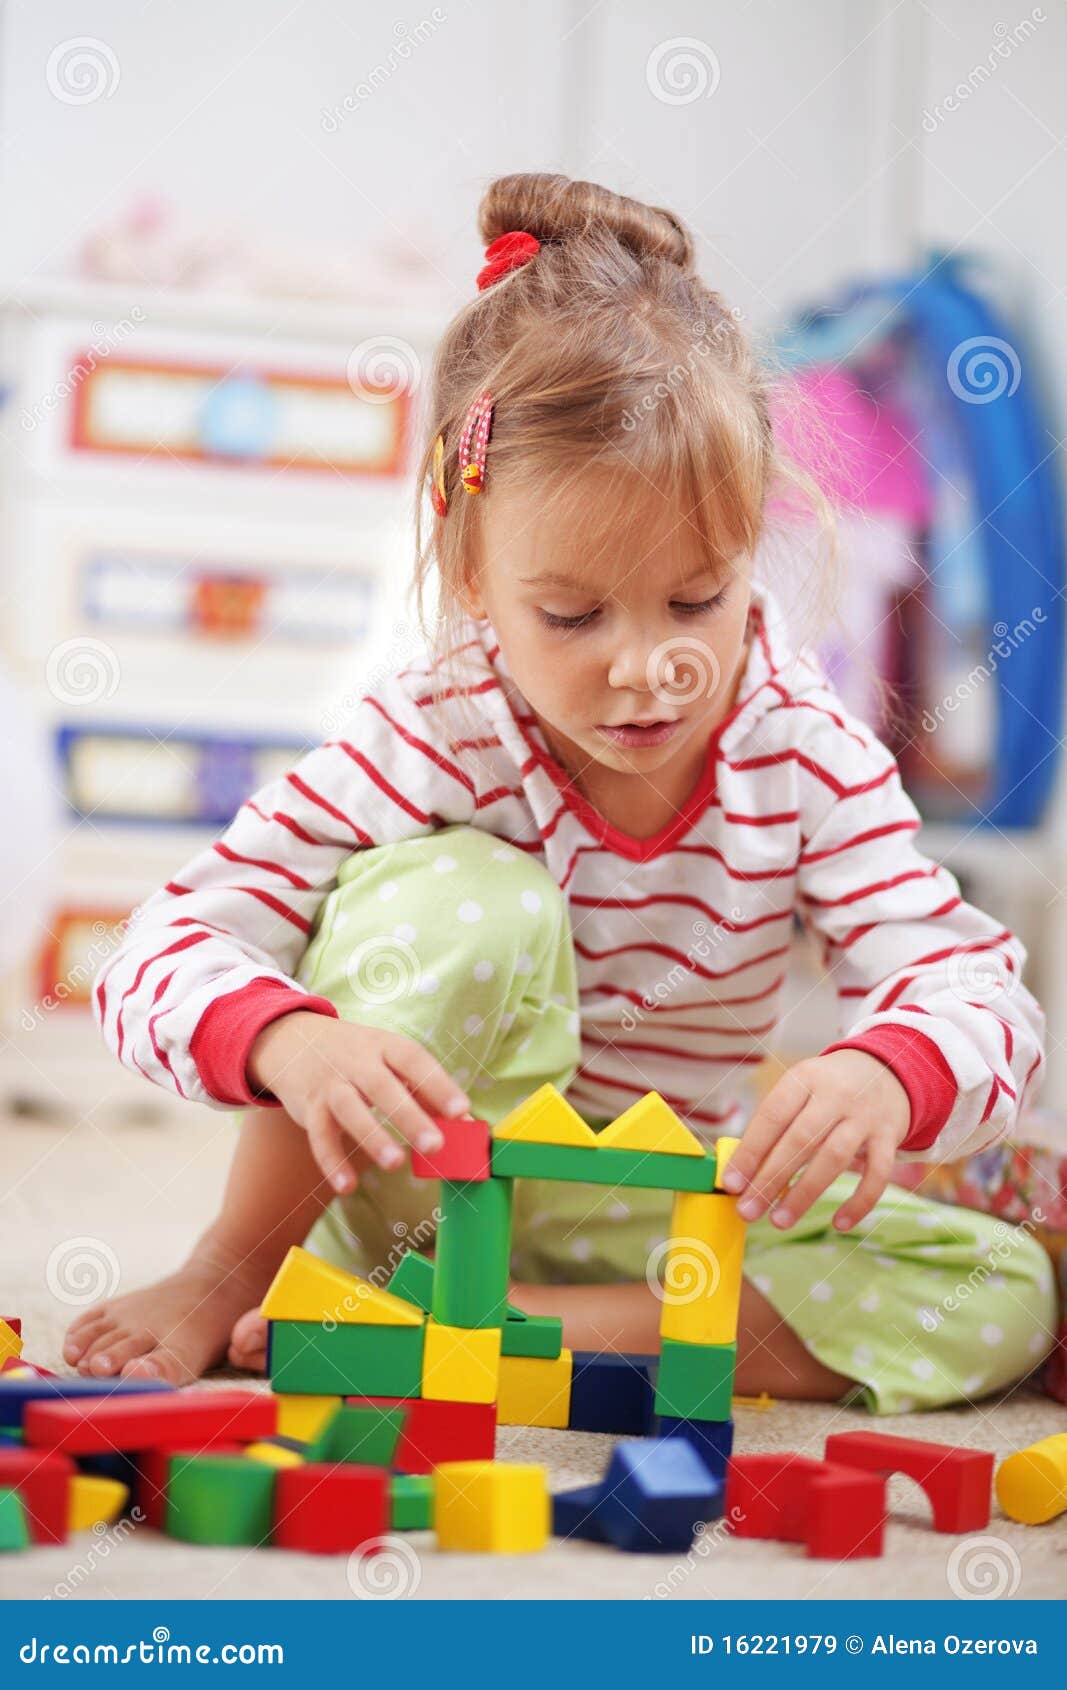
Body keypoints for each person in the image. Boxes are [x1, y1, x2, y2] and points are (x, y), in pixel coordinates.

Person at [66, 174, 1056, 1412]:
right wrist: (287, 1038)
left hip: (658, 1221)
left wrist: (886, 1072)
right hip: (415, 1183)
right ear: (473, 576)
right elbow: (154, 951)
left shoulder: (802, 749)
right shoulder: (435, 725)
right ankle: (238, 1265)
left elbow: (977, 994)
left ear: (753, 541)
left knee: (999, 1290)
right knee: (466, 898)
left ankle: (504, 1327)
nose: (644, 669)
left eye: (694, 598)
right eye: (574, 615)